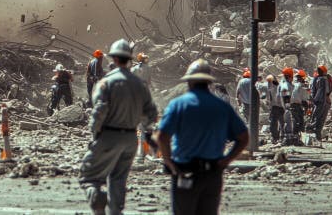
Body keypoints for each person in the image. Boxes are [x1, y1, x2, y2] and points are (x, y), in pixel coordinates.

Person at [155, 59, 249, 215]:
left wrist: (169, 162)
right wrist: (226, 160)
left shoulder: (178, 104)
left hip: (184, 170)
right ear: (208, 82)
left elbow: (162, 137)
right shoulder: (222, 107)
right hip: (212, 172)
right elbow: (243, 137)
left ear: (189, 81)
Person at [79, 38, 157, 215]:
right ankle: (116, 211)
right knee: (118, 178)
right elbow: (151, 113)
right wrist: (147, 133)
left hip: (108, 136)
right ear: (130, 59)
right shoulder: (139, 84)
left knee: (88, 176)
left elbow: (99, 110)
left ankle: (97, 199)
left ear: (113, 58)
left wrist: (95, 134)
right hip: (130, 139)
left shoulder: (107, 81)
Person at [307, 65, 330, 140]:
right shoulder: (322, 80)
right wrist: (316, 99)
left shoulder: (316, 79)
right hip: (321, 101)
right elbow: (321, 91)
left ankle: (317, 135)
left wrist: (313, 99)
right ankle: (310, 129)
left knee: (318, 117)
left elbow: (314, 90)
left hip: (320, 101)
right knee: (319, 117)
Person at [290, 69, 309, 141]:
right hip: (298, 105)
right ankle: (297, 136)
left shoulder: (294, 85)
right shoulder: (302, 86)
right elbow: (304, 98)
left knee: (295, 119)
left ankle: (296, 135)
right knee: (299, 120)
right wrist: (306, 106)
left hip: (292, 104)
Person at [265, 74, 284, 144]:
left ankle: (279, 137)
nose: (269, 83)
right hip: (276, 107)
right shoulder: (273, 87)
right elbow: (270, 98)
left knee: (279, 123)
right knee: (275, 123)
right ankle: (276, 137)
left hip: (279, 107)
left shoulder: (278, 86)